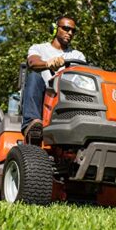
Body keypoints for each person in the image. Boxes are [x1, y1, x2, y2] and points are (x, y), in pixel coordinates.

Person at [22, 15, 86, 145]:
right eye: (66, 28)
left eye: (73, 30)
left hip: (67, 97)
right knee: (34, 74)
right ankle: (32, 125)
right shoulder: (39, 48)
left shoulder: (78, 55)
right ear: (55, 28)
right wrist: (48, 64)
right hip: (44, 94)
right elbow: (32, 62)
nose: (70, 33)